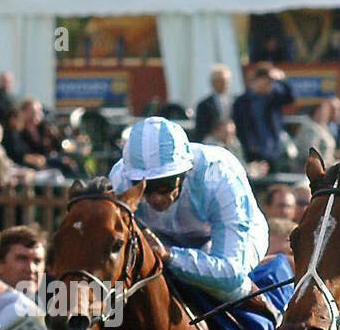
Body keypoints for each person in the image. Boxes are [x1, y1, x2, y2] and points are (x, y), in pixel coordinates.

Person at [108, 116, 268, 308]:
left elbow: (230, 272)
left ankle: (271, 313)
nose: (155, 198)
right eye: (145, 187)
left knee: (228, 289)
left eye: (164, 185)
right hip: (162, 240)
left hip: (226, 241)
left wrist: (170, 256)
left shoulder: (218, 175)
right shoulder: (121, 180)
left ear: (184, 172)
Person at [233, 63, 297, 173]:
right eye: (267, 82)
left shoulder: (272, 98)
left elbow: (290, 97)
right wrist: (250, 146)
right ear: (258, 80)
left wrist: (282, 80)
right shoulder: (242, 102)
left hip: (274, 150)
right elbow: (240, 127)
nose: (270, 86)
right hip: (253, 152)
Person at [195, 65, 234, 143]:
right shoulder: (204, 105)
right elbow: (201, 128)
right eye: (219, 81)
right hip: (212, 140)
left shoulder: (237, 101)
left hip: (233, 139)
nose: (223, 84)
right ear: (212, 83)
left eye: (225, 81)